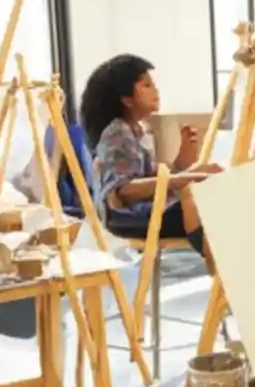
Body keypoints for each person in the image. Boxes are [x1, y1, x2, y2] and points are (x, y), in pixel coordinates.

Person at [81, 54, 220, 258]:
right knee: (202, 200)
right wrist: (187, 177)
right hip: (125, 217)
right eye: (146, 85)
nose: (156, 91)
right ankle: (213, 255)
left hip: (143, 211)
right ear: (126, 99)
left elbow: (152, 180)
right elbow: (124, 190)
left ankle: (215, 251)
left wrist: (183, 163)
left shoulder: (137, 130)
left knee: (209, 181)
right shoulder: (117, 132)